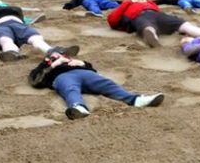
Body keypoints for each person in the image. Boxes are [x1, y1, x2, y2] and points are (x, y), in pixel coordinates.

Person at [30, 51, 164, 119]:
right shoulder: (44, 67)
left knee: (107, 84)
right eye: (53, 55)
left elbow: (92, 70)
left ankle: (136, 100)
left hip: (85, 74)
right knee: (70, 89)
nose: (57, 55)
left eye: (60, 54)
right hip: (62, 77)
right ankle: (79, 108)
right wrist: (52, 65)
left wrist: (81, 63)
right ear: (47, 59)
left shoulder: (74, 61)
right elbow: (36, 81)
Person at [106, 0, 200, 48]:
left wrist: (146, 2)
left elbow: (156, 8)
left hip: (157, 14)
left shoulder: (149, 2)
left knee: (183, 24)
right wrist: (127, 2)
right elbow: (112, 20)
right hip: (139, 16)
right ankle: (152, 37)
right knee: (147, 26)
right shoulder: (127, 6)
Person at [0, 1, 77, 62]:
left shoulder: (14, 9)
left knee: (35, 38)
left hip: (16, 25)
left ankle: (52, 51)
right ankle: (11, 53)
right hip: (1, 26)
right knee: (5, 39)